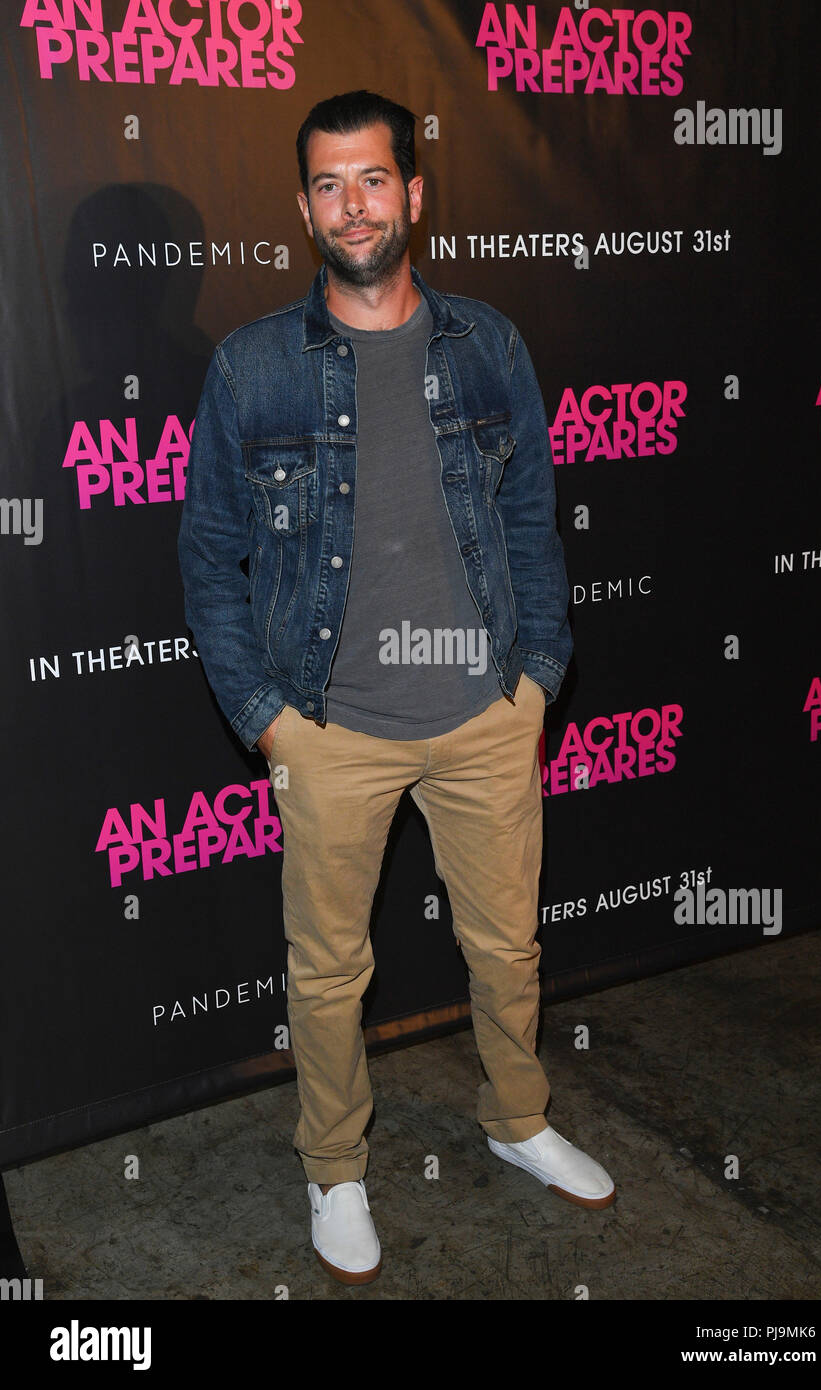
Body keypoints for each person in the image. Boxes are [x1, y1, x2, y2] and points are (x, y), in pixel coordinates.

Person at [178, 89, 615, 1287]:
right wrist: (265, 720)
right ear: (303, 206)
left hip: (483, 715)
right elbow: (208, 554)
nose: (351, 204)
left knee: (507, 947)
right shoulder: (253, 366)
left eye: (372, 178)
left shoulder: (488, 344)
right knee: (325, 972)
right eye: (326, 184)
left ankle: (516, 1118)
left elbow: (529, 517)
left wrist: (536, 678)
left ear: (413, 194)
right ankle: (334, 1170)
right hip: (332, 725)